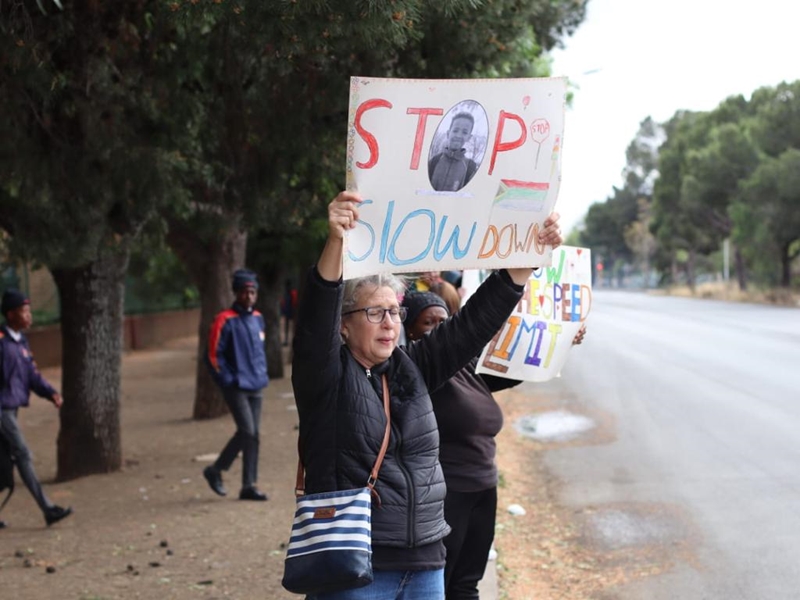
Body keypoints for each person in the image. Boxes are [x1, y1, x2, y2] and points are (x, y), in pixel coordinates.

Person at [290, 190, 562, 600]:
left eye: (394, 312)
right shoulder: (325, 376)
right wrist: (336, 241)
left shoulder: (411, 367)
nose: (389, 323)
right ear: (343, 325)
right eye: (373, 312)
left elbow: (471, 325)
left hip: (426, 566)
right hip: (357, 570)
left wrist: (524, 261)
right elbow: (316, 316)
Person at [401, 290, 587, 600]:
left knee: (467, 581)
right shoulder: (415, 372)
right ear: (410, 330)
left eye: (442, 321)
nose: (435, 327)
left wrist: (563, 341)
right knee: (440, 583)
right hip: (448, 492)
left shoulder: (466, 365)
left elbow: (513, 370)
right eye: (427, 322)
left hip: (484, 486)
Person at [0, 289, 72, 528]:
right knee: (22, 454)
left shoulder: (21, 343)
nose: (29, 316)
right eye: (24, 311)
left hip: (11, 408)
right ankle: (48, 509)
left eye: (29, 310)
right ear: (10, 314)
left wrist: (50, 393)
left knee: (4, 464)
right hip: (1, 410)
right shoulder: (1, 341)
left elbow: (31, 375)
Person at [202, 269, 269, 501]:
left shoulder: (258, 318)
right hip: (236, 385)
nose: (249, 296)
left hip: (257, 383)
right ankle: (216, 470)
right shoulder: (224, 319)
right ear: (237, 293)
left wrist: (262, 373)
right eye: (244, 292)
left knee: (253, 435)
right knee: (248, 432)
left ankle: (248, 485)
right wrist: (228, 380)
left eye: (252, 292)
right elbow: (212, 356)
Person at [429, 112, 479, 192]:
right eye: (455, 130)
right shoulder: (434, 161)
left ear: (469, 137)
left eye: (464, 132)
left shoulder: (470, 167)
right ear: (448, 133)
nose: (458, 135)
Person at [280, 279, 297, 346]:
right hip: (289, 312)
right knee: (288, 327)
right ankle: (287, 340)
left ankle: (288, 340)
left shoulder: (291, 293)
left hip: (291, 312)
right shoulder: (288, 293)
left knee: (290, 327)